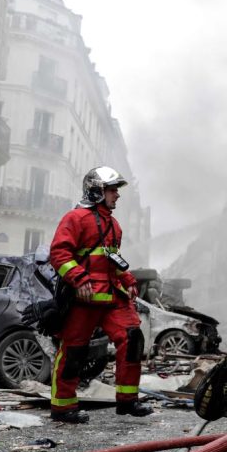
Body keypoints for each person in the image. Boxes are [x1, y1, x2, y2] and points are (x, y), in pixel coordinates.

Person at [47, 166, 152, 424]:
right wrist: (78, 278)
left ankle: (128, 400)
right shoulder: (75, 218)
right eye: (112, 190)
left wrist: (127, 279)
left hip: (112, 298)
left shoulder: (113, 225)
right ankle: (63, 406)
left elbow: (110, 259)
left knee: (133, 338)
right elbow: (59, 254)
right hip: (84, 299)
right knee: (73, 351)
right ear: (96, 191)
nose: (117, 195)